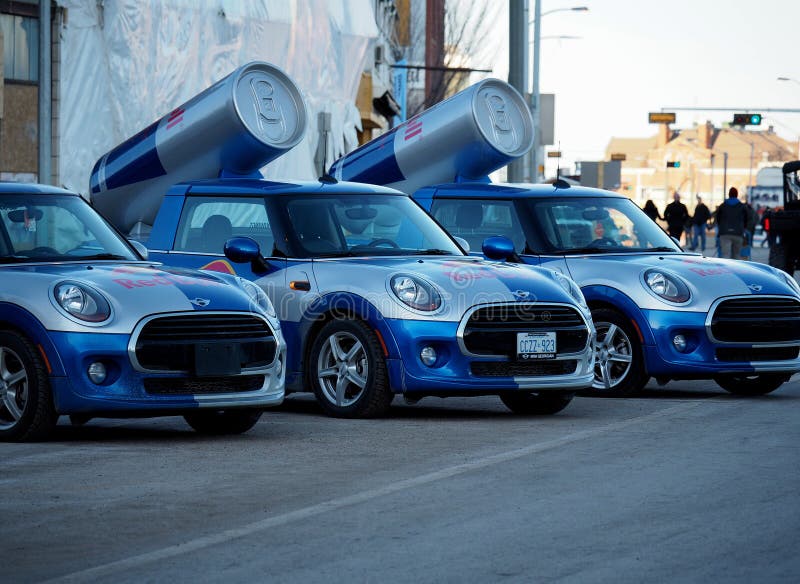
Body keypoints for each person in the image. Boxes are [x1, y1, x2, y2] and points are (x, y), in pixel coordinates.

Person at [715, 187, 748, 259]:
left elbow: (718, 219)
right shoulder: (742, 206)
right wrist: (743, 228)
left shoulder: (722, 206)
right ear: (737, 195)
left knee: (725, 255)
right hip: (738, 233)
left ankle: (726, 270)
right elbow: (746, 219)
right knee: (736, 255)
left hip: (725, 233)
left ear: (729, 194)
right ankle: (735, 270)